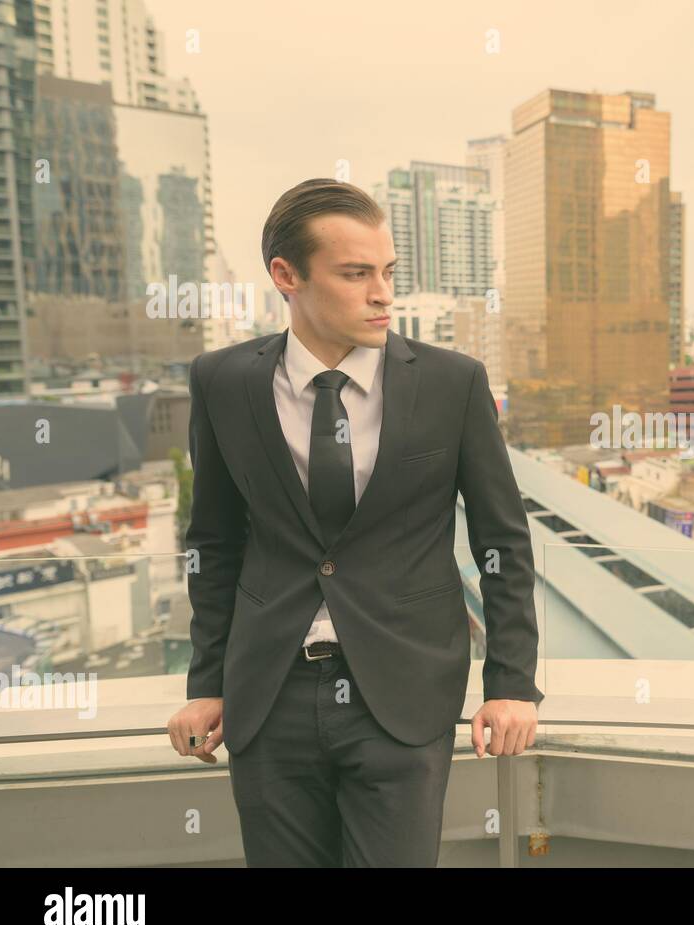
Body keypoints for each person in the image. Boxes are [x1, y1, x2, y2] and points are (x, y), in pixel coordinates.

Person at [166, 178, 542, 867]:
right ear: (287, 276)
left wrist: (511, 682)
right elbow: (213, 543)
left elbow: (502, 540)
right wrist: (205, 683)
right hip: (268, 696)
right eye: (356, 273)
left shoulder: (451, 383)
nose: (383, 293)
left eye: (388, 272)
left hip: (402, 698)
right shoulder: (222, 380)